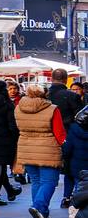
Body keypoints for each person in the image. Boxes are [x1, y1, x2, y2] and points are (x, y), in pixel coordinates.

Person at [15, 83, 66, 218]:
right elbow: (59, 132)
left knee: (36, 181)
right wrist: (64, 146)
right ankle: (38, 207)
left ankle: (42, 212)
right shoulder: (52, 109)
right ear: (45, 94)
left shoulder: (18, 108)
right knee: (49, 181)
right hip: (48, 149)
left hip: (26, 147)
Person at [48, 68, 84, 207]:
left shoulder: (44, 95)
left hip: (47, 136)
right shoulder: (71, 96)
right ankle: (72, 196)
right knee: (72, 167)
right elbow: (80, 117)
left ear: (52, 78)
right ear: (65, 79)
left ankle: (44, 202)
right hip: (68, 135)